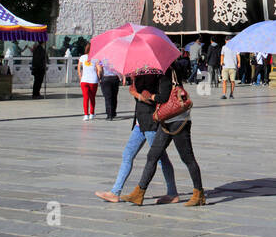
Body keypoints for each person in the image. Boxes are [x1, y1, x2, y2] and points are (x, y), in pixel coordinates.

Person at [128, 61, 206, 207]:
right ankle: (139, 192)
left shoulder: (166, 73)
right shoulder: (166, 72)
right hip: (166, 120)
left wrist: (149, 96)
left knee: (187, 158)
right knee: (153, 155)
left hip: (178, 121)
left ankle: (199, 193)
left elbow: (163, 97)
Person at [94, 73, 179, 204]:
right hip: (140, 123)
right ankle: (115, 192)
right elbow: (140, 98)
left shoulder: (160, 75)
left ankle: (172, 193)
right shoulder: (141, 74)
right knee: (127, 155)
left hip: (151, 123)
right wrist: (135, 87)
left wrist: (138, 94)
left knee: (161, 159)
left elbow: (161, 98)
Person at [78, 48, 99, 120]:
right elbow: (98, 69)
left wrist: (80, 76)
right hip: (93, 80)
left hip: (84, 80)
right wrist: (99, 76)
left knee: (85, 98)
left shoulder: (82, 57)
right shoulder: (96, 57)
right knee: (92, 97)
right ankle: (92, 114)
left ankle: (86, 115)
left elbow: (79, 67)